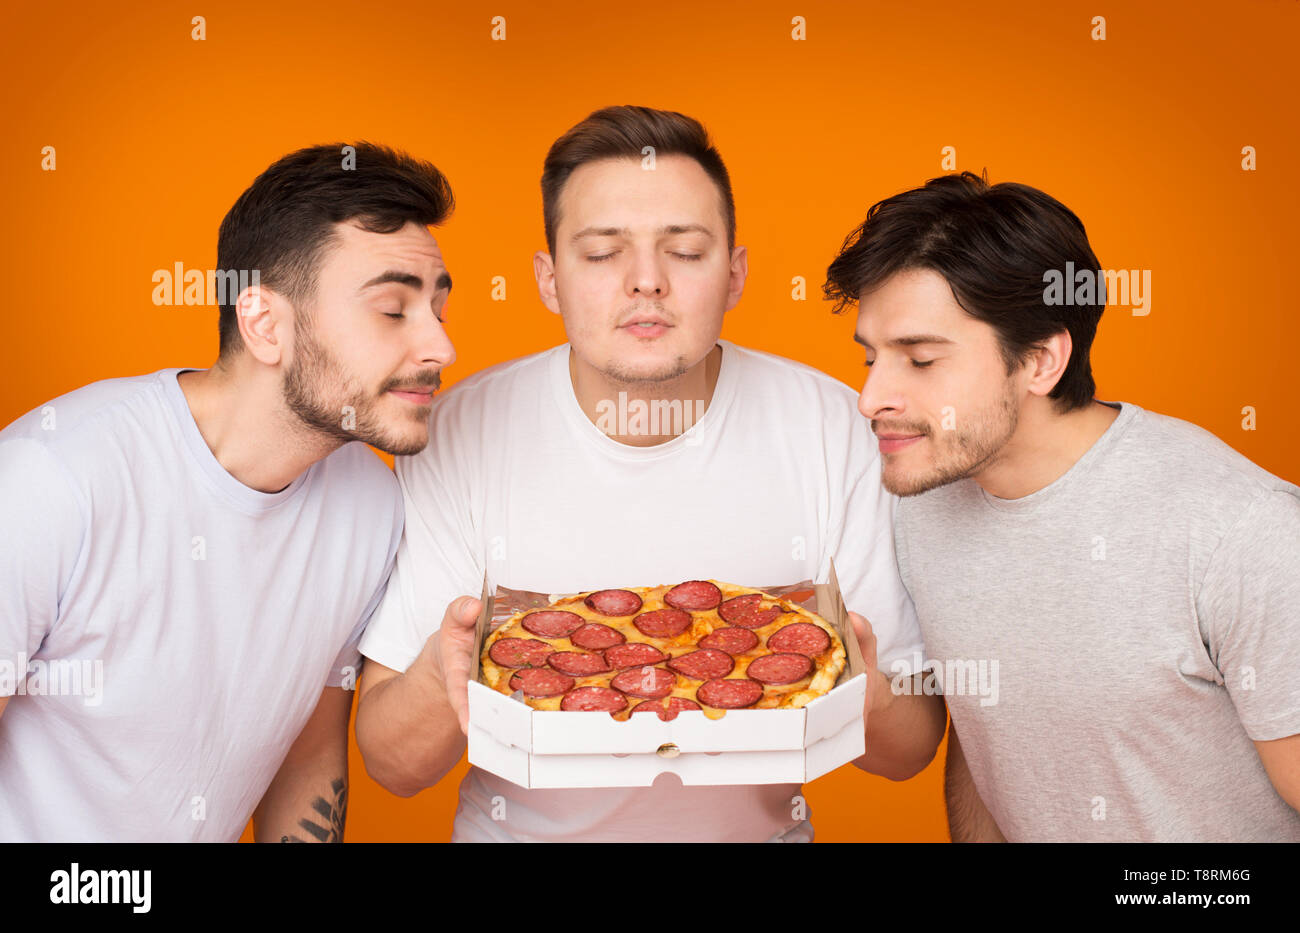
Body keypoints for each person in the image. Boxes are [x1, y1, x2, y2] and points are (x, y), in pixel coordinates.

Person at [354, 105, 947, 843]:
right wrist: (440, 678)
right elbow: (392, 762)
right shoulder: (459, 430)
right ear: (548, 279)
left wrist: (862, 693)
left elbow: (911, 747)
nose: (645, 282)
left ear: (735, 274)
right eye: (602, 252)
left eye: (686, 252)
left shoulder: (836, 425)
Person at [0, 141, 458, 841]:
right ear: (264, 324)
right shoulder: (51, 477)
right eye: (394, 310)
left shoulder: (371, 505)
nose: (441, 349)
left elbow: (307, 754)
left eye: (439, 309)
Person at [824, 171, 1300, 841]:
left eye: (920, 360)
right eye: (872, 358)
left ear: (1042, 360)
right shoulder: (922, 501)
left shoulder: (1244, 533)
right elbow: (990, 726)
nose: (871, 398)